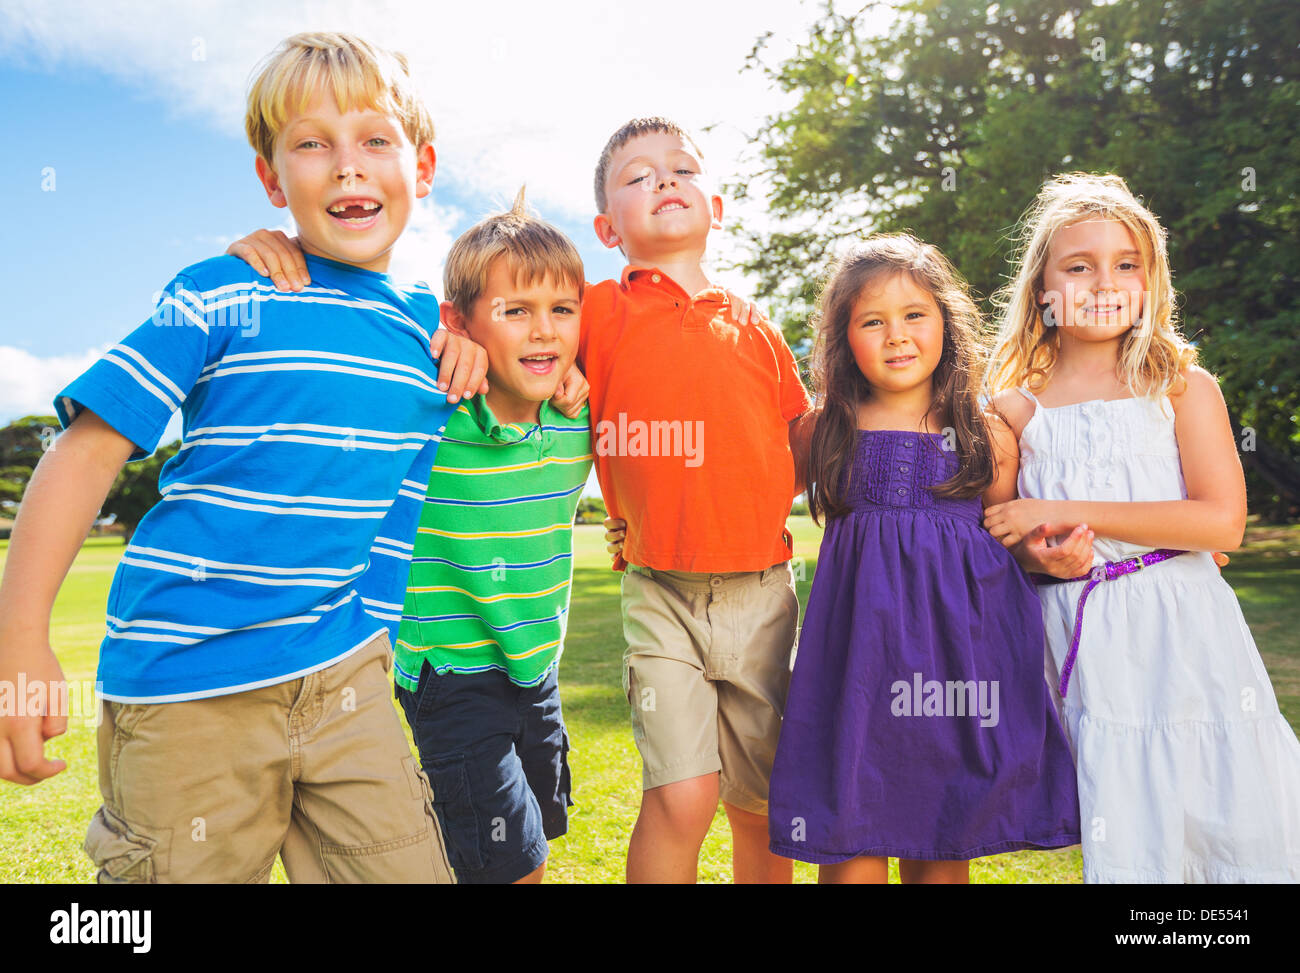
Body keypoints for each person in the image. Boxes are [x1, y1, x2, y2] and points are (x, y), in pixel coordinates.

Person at [0, 31, 490, 883]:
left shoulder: (435, 336)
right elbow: (85, 452)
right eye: (312, 144)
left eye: (376, 139)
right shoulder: (224, 289)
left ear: (424, 166)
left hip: (349, 679)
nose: (347, 166)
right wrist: (17, 639)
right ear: (273, 179)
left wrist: (493, 356)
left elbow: (556, 356)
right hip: (188, 688)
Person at [984, 172, 1300, 883]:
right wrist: (1044, 554)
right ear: (1041, 288)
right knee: (1129, 815)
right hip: (1086, 637)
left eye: (1127, 263)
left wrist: (1065, 511)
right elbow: (1001, 543)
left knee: (1228, 806)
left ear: (1151, 279)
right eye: (1079, 266)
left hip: (1184, 626)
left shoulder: (1182, 387)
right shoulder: (1012, 411)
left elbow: (1221, 520)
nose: (1105, 282)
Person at [766, 233, 1085, 883]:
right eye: (872, 321)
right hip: (858, 664)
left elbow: (1008, 531)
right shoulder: (826, 426)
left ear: (946, 322)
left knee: (942, 837)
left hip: (958, 661)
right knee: (850, 837)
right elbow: (753, 499)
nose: (897, 335)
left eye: (915, 314)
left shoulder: (983, 427)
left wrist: (1044, 557)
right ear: (844, 337)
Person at [583, 118, 813, 883]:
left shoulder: (758, 329)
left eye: (681, 168)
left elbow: (804, 446)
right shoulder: (593, 312)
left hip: (765, 594)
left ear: (715, 202)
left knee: (764, 803)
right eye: (638, 176)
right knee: (683, 795)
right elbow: (499, 317)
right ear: (606, 227)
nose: (664, 181)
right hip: (660, 589)